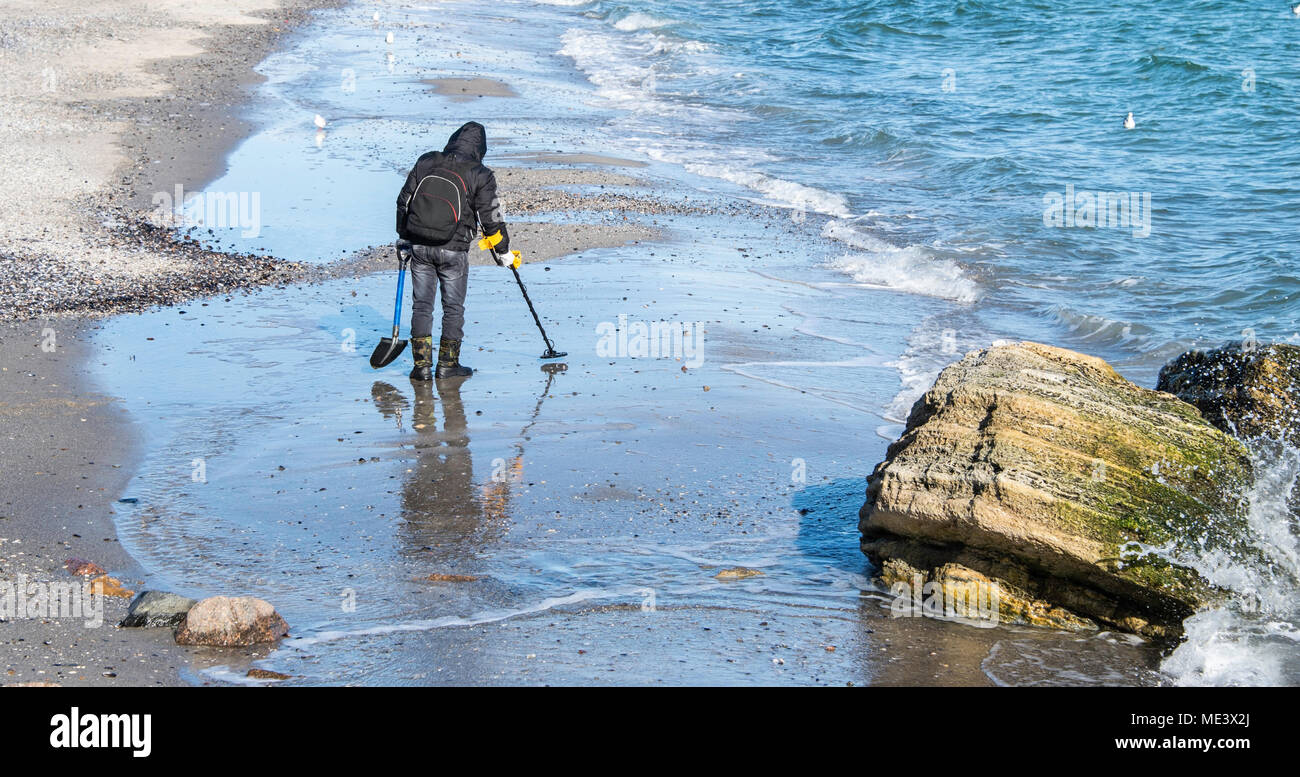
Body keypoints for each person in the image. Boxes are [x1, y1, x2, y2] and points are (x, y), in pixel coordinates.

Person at [395, 121, 511, 380]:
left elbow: (404, 200)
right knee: (453, 308)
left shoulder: (426, 161)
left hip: (420, 244)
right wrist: (503, 252)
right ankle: (448, 365)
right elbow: (491, 217)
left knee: (422, 307)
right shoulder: (481, 174)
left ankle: (421, 367)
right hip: (454, 250)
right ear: (480, 148)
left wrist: (403, 238)